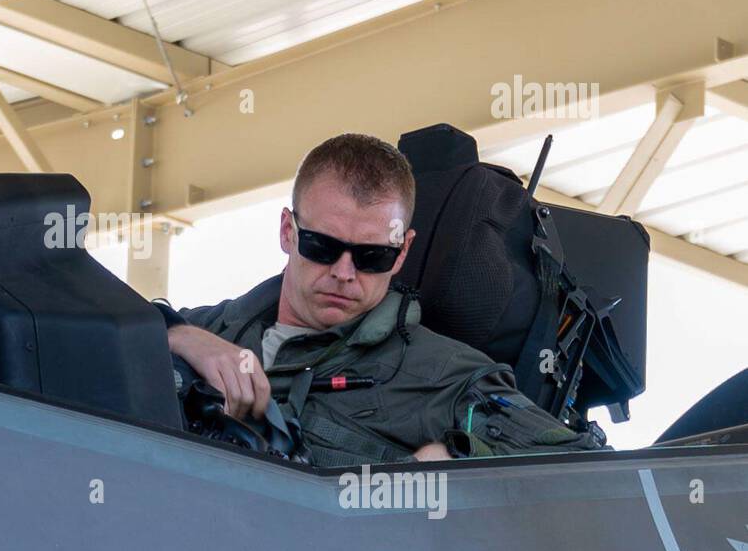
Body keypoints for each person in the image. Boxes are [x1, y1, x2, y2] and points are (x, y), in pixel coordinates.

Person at [155, 133, 601, 465]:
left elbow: (581, 467)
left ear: (402, 252)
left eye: (372, 256)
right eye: (322, 247)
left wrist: (457, 459)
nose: (344, 273)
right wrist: (173, 334)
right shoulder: (209, 331)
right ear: (288, 232)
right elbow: (92, 328)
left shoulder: (448, 380)